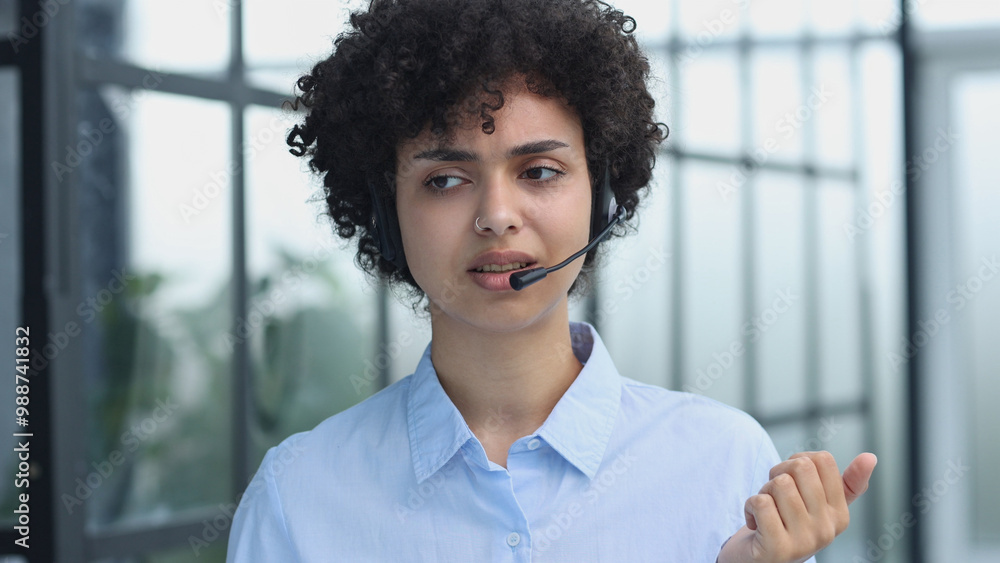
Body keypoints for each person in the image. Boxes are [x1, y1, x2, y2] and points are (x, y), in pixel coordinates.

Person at [226, 0, 877, 561]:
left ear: (601, 195)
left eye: (538, 171)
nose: (496, 215)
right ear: (384, 209)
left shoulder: (727, 463)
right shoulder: (298, 495)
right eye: (445, 179)